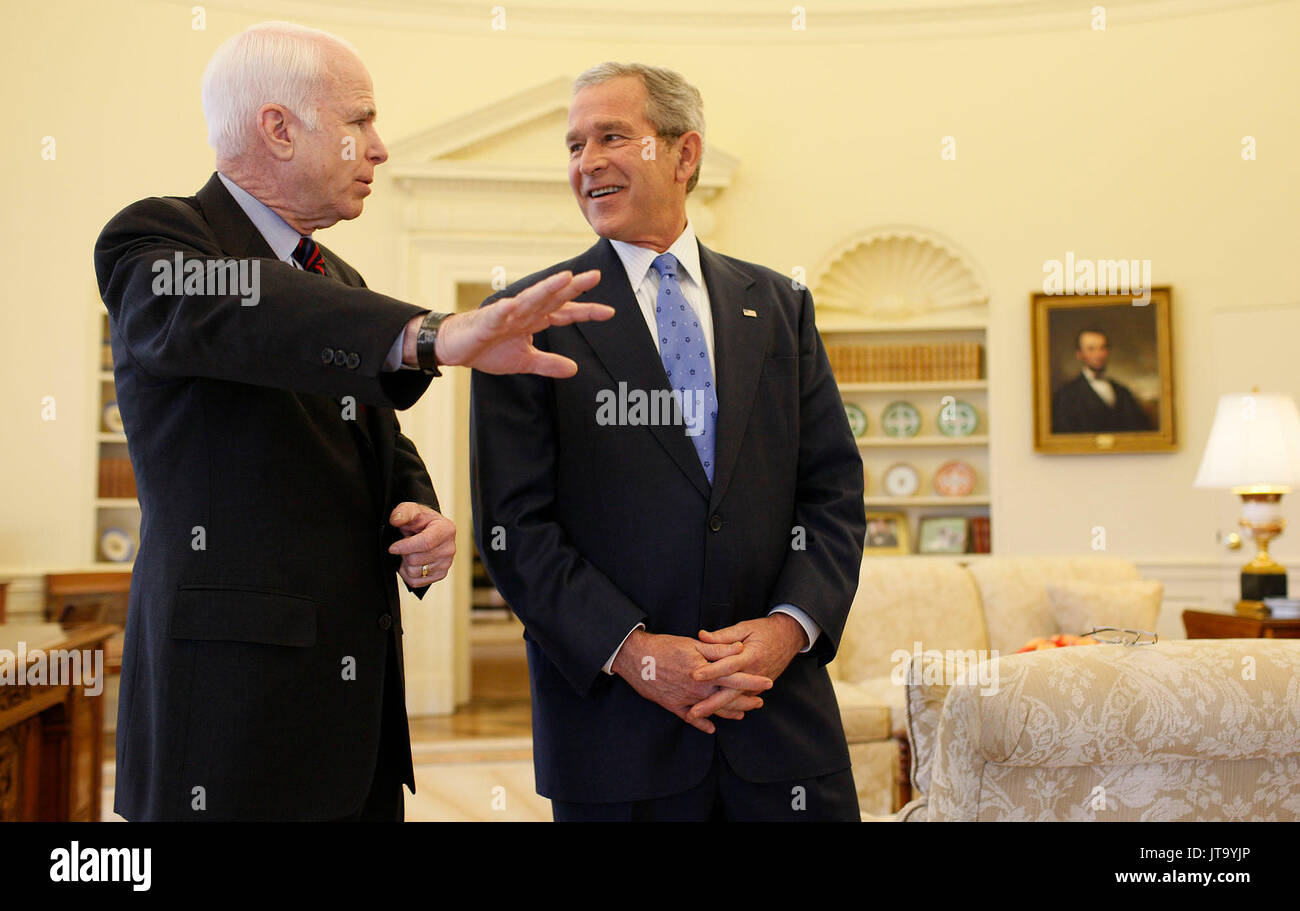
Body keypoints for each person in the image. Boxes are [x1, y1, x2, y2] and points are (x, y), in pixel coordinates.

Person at [93, 21, 611, 821]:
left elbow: (372, 436)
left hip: (358, 722)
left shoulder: (338, 275)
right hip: (231, 727)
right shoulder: (159, 239)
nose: (380, 148)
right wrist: (433, 332)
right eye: (360, 121)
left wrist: (416, 507)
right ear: (278, 127)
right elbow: (248, 311)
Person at [471, 63, 866, 821]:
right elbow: (515, 531)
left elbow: (833, 495)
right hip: (618, 740)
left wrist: (790, 627)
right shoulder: (526, 317)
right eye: (574, 144)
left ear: (684, 155)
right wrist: (636, 651)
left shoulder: (780, 307)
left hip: (780, 730)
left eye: (612, 136)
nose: (586, 162)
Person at [1051, 328, 1153, 433]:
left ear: (1107, 351)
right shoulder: (1065, 395)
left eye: (1102, 348)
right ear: (1079, 354)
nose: (1098, 355)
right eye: (1091, 349)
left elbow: (1142, 429)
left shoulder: (1122, 392)